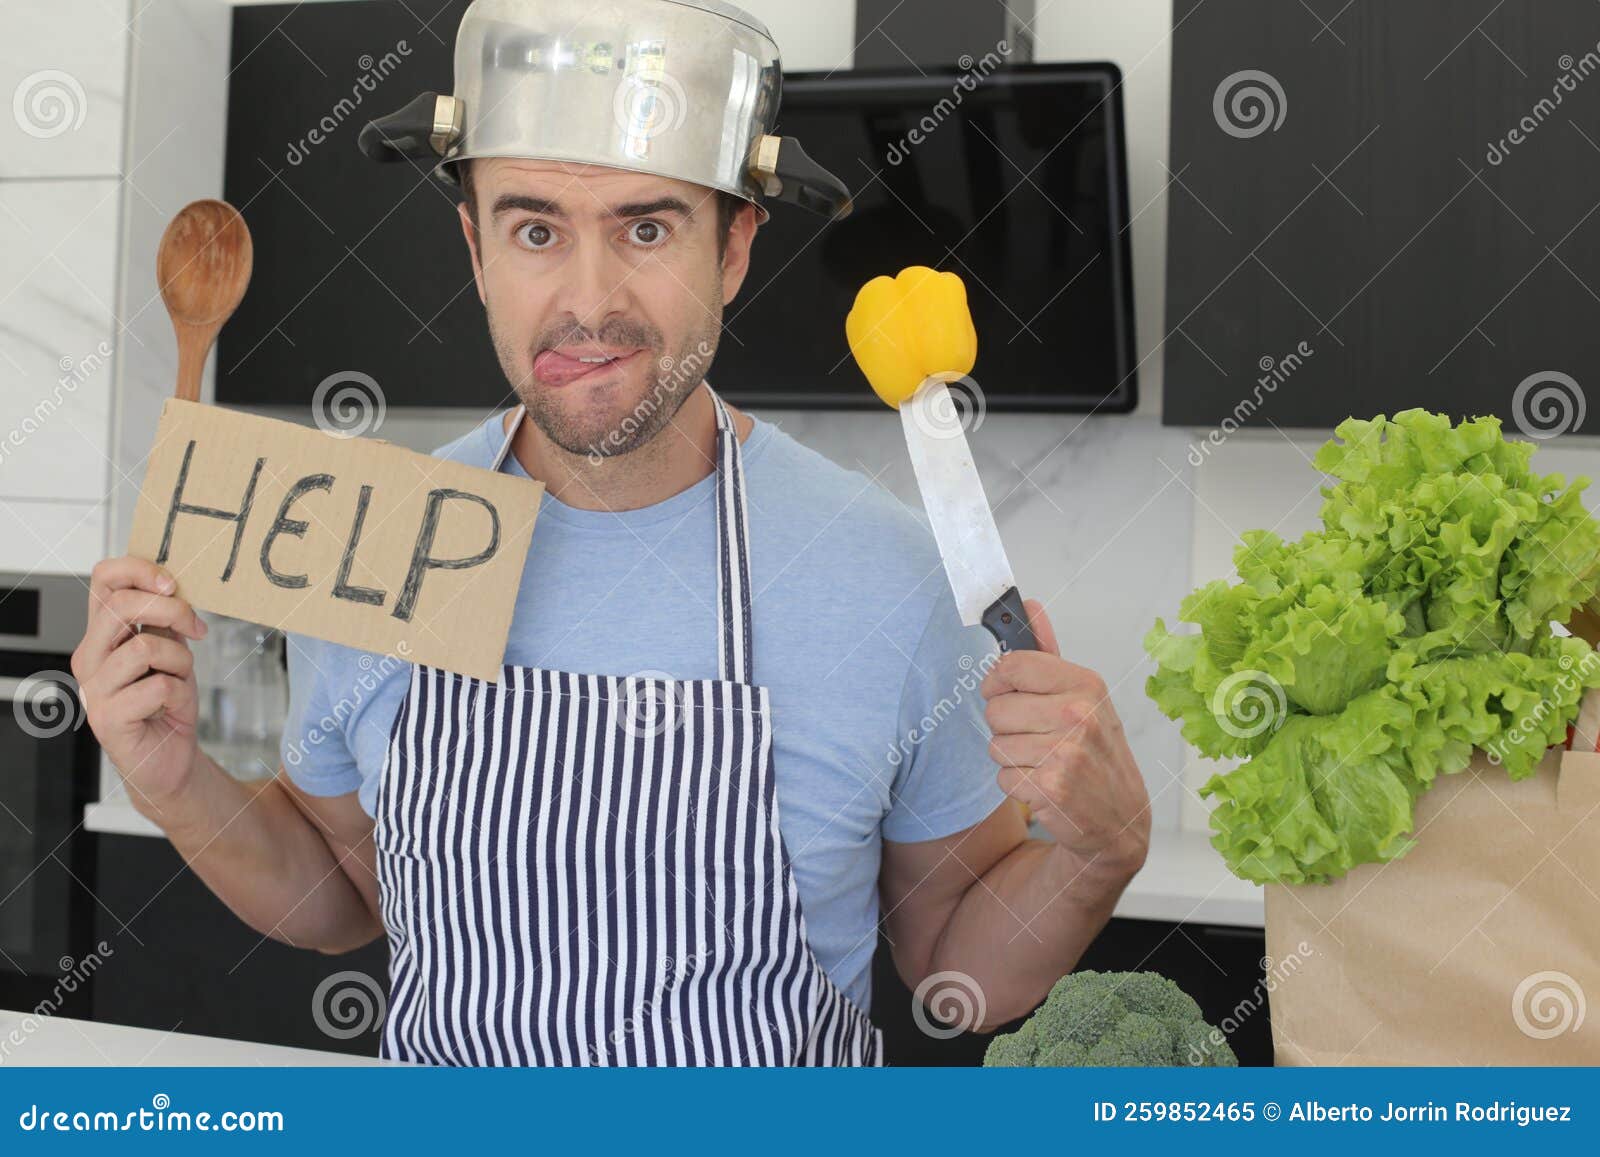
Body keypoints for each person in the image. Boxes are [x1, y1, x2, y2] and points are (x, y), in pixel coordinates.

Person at [71, 0, 1150, 1066]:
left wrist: (1101, 849)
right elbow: (342, 893)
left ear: (732, 247)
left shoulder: (887, 573)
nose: (588, 301)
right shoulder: (382, 536)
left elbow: (955, 966)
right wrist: (175, 777)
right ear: (477, 247)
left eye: (646, 227)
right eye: (535, 228)